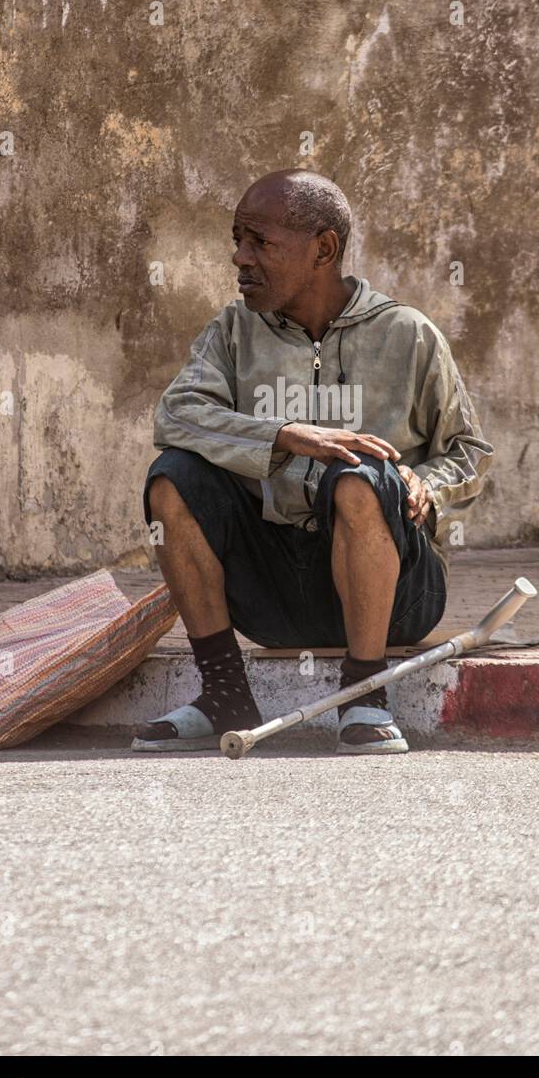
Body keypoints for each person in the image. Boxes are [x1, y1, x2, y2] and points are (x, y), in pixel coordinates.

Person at [134, 169, 494, 755]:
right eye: (237, 240)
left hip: (395, 592)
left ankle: (365, 694)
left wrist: (425, 482)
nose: (240, 259)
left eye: (260, 242)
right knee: (174, 477)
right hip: (275, 594)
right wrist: (284, 435)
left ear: (323, 249)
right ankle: (223, 691)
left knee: (357, 477)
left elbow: (469, 451)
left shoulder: (409, 335)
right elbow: (176, 415)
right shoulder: (233, 330)